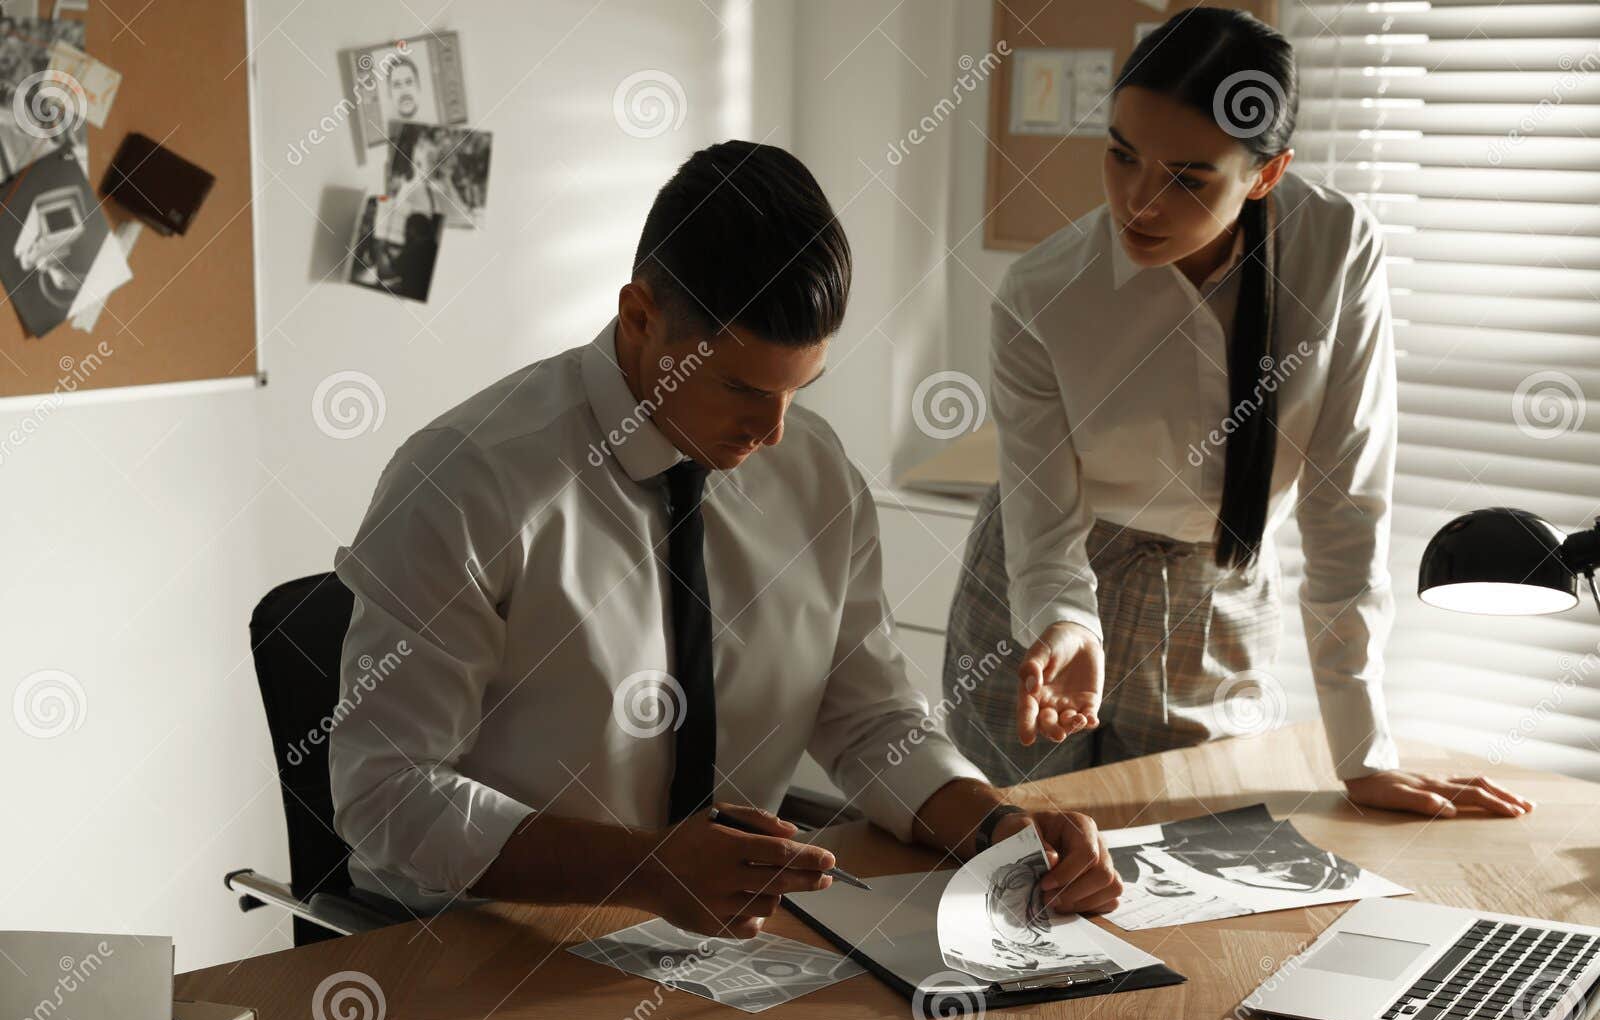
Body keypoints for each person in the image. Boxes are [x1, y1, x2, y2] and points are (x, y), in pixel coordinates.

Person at [328, 141, 1122, 938]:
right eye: (740, 386)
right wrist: (645, 869)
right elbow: (386, 792)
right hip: (476, 944)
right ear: (639, 317)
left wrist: (993, 825)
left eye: (797, 389)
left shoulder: (815, 475)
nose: (772, 431)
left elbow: (869, 719)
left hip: (722, 945)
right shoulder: (466, 481)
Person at [943, 8, 1533, 821]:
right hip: (1042, 582)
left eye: (1188, 176)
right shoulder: (1043, 293)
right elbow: (1043, 523)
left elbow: (1344, 503)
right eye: (1121, 156)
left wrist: (1363, 753)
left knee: (1182, 862)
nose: (1139, 202)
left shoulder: (1335, 251)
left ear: (1266, 172)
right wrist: (1064, 621)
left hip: (1218, 581)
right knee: (1009, 854)